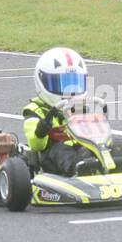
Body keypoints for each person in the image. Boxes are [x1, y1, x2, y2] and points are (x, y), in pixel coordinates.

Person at [23, 46, 93, 176]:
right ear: (42, 81)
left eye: (74, 83)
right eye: (62, 84)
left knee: (110, 145)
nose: (69, 91)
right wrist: (42, 129)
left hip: (79, 150)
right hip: (51, 157)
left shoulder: (79, 108)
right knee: (62, 151)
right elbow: (36, 145)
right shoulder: (34, 111)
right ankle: (81, 169)